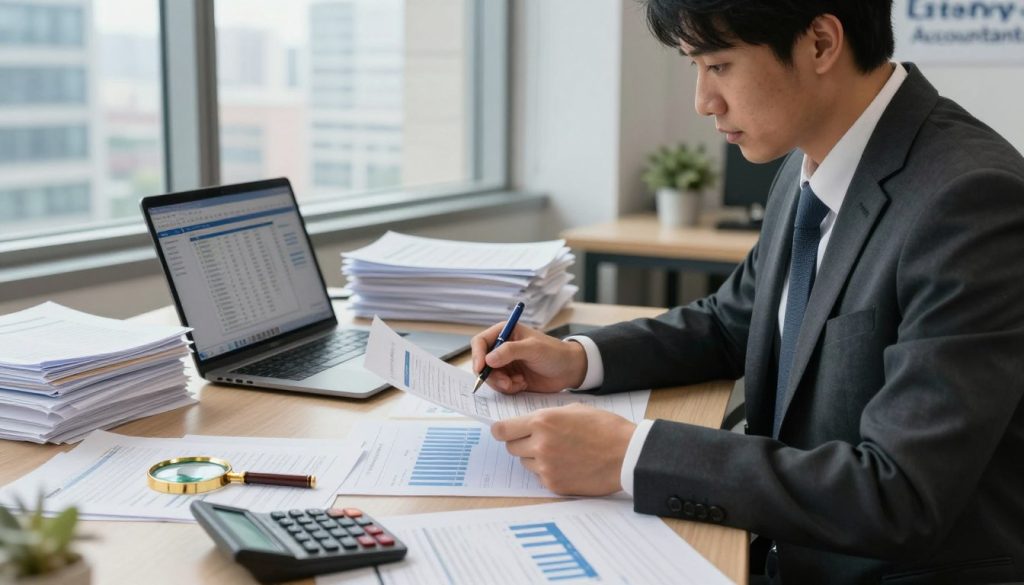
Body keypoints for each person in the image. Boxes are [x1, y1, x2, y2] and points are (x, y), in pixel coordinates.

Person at [470, 1, 1024, 583]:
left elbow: (898, 494)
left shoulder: (969, 202)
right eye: (694, 66)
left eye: (720, 65)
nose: (703, 101)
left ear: (819, 43)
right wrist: (578, 359)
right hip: (782, 546)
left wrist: (631, 456)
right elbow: (733, 320)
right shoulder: (810, 158)